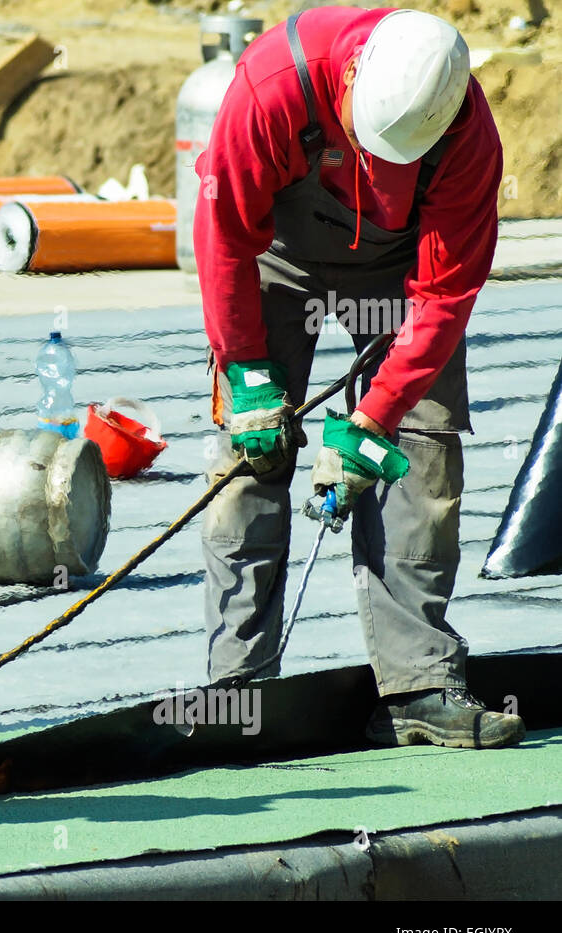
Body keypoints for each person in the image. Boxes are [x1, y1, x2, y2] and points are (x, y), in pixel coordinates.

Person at [194, 6, 525, 748]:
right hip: (279, 252)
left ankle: (417, 686)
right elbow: (223, 238)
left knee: (422, 445)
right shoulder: (274, 84)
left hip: (400, 268)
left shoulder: (466, 137)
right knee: (251, 455)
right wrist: (247, 375)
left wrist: (372, 423)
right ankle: (238, 687)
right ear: (350, 79)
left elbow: (443, 299)